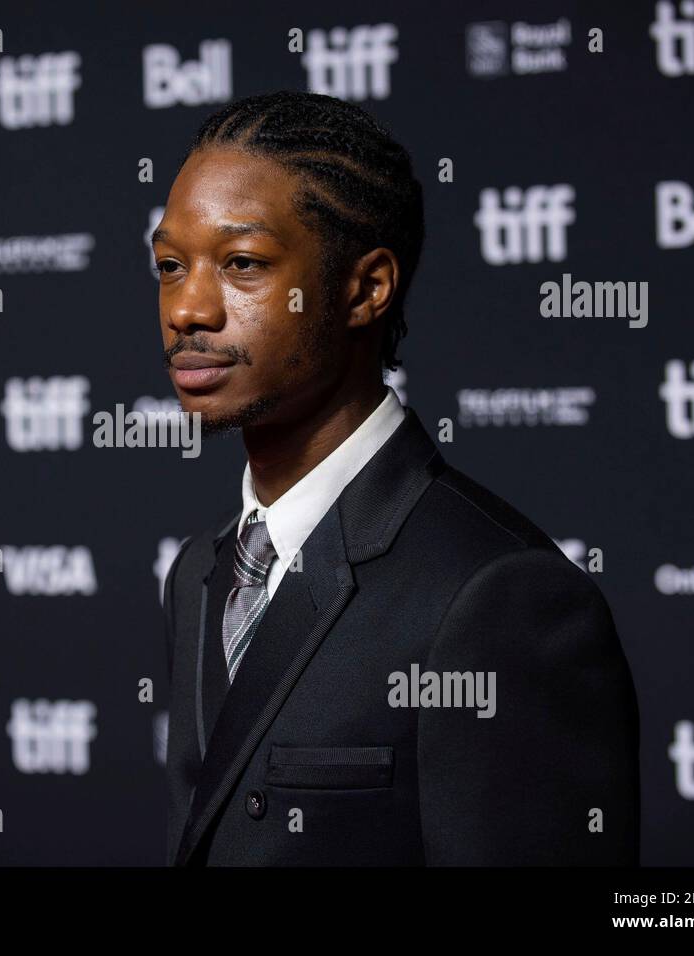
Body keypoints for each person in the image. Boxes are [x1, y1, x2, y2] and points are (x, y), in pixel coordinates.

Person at [155, 91, 640, 866]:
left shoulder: (498, 597)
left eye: (242, 264)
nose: (187, 307)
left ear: (365, 288)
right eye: (170, 266)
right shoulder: (199, 575)